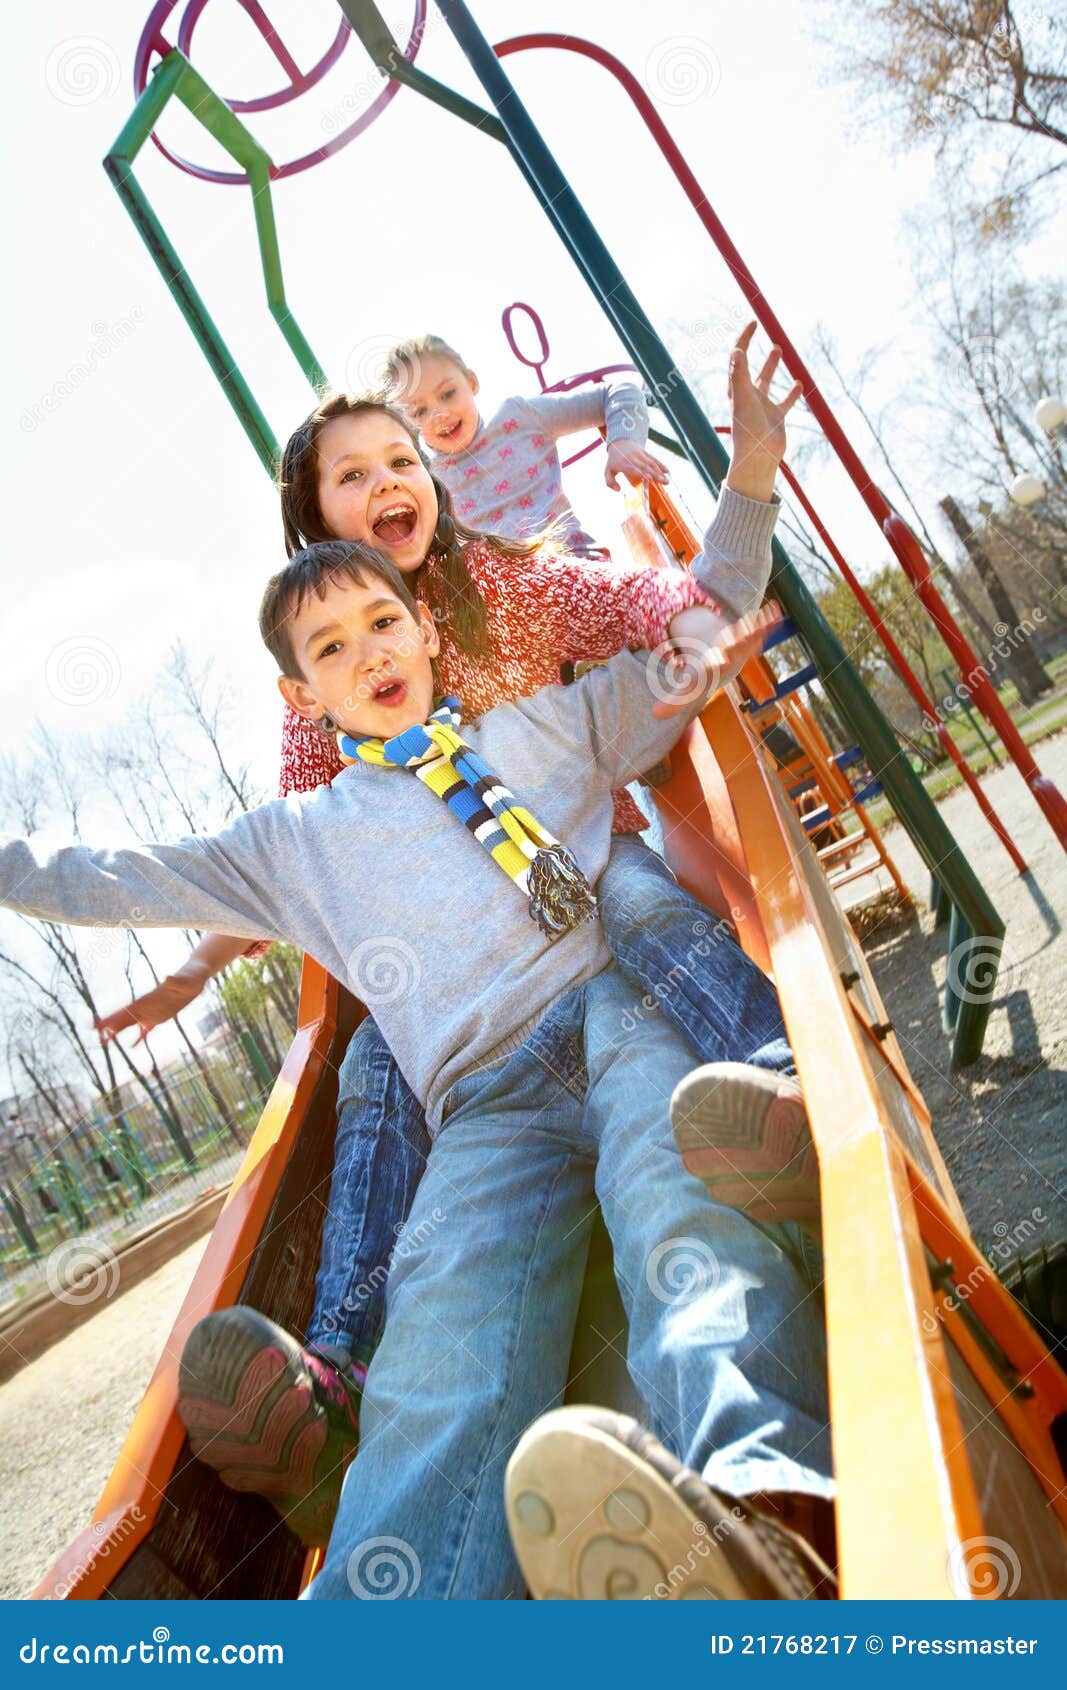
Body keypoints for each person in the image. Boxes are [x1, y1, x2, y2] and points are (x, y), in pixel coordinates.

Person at [2, 544, 834, 1599]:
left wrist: (718, 605)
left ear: (427, 632)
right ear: (301, 694)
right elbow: (123, 875)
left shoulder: (538, 728)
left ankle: (762, 1506)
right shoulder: (299, 842)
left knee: (676, 1205)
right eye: (331, 647)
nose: (370, 654)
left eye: (382, 622)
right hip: (485, 1103)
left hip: (614, 1009)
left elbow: (669, 666)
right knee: (439, 1334)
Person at [97, 328, 817, 1540]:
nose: (390, 481)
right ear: (315, 523)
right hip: (467, 1018)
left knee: (632, 905)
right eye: (354, 472)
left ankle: (781, 1087)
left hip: (588, 922)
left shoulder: (505, 588)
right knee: (373, 1049)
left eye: (402, 457)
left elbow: (668, 613)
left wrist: (735, 507)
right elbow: (287, 856)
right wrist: (195, 958)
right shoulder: (331, 682)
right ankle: (343, 1367)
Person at [381, 331, 669, 551]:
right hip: (511, 604)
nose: (440, 415)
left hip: (573, 560)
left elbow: (619, 392)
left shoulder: (519, 418)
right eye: (419, 411)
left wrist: (623, 443)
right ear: (407, 424)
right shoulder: (426, 481)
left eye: (447, 394)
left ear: (471, 383)